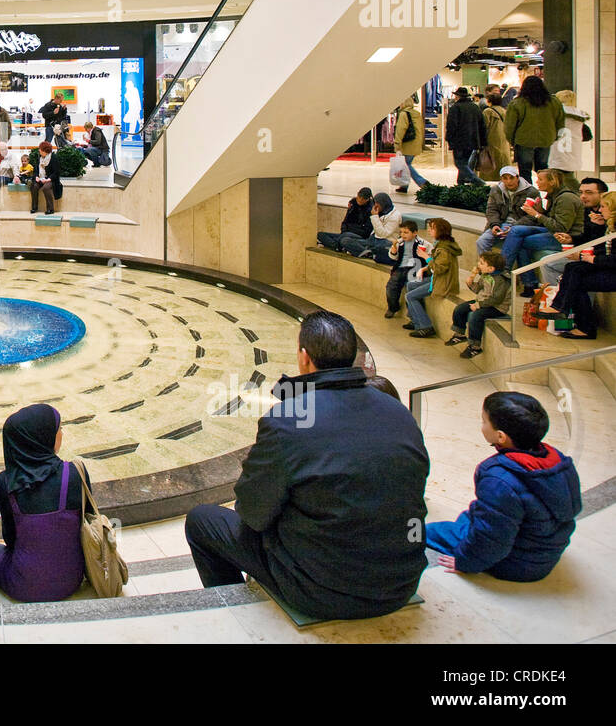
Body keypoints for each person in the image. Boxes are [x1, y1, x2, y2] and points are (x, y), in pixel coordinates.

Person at [186, 311, 429, 620]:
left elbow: (251, 511)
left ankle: (236, 618)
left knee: (202, 520)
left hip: (322, 591)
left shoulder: (288, 421)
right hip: (401, 580)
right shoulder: (397, 411)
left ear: (304, 356)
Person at [426, 392, 581, 582]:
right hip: (545, 551)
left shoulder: (499, 480)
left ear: (500, 436)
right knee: (473, 517)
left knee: (424, 532)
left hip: (518, 564)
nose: (481, 425)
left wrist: (464, 562)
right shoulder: (557, 459)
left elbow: (492, 541)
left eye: (483, 421)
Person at [0, 404, 88, 603]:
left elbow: (10, 539)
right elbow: (85, 524)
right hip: (72, 580)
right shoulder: (76, 473)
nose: (61, 433)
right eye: (59, 428)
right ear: (43, 436)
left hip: (21, 586)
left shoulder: (6, 480)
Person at [540, 191, 616, 339]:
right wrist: (597, 226)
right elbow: (598, 244)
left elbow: (612, 257)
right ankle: (562, 309)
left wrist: (591, 259)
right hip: (606, 265)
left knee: (577, 279)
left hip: (611, 270)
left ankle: (565, 311)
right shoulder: (608, 226)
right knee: (572, 269)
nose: (600, 210)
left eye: (603, 207)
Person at [502, 168, 584, 295]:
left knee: (520, 242)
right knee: (516, 230)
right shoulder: (554, 195)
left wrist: (536, 214)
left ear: (552, 182)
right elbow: (552, 220)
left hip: (566, 237)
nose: (537, 182)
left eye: (540, 179)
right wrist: (541, 211)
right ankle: (512, 272)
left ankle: (508, 272)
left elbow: (561, 228)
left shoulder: (566, 198)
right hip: (552, 231)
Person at [446, 248, 512, 359]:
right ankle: (460, 334)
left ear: (491, 268)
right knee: (460, 309)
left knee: (475, 316)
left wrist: (478, 306)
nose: (478, 264)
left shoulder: (500, 280)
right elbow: (478, 290)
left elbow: (497, 299)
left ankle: (475, 346)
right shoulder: (485, 275)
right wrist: (471, 280)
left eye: (481, 263)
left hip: (496, 307)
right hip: (483, 302)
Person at [404, 217, 461, 338]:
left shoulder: (444, 249)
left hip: (442, 283)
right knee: (410, 285)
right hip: (436, 279)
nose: (429, 231)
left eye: (432, 228)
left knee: (410, 296)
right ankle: (415, 320)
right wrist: (424, 268)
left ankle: (425, 326)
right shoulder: (441, 245)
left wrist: (426, 257)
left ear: (440, 231)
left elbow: (439, 268)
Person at [505, 74, 564, 184]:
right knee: (543, 168)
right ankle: (547, 190)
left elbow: (509, 126)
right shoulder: (554, 102)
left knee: (524, 169)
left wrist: (512, 141)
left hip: (524, 140)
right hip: (546, 139)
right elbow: (560, 121)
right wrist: (555, 136)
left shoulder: (517, 103)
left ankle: (528, 192)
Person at [477, 165, 540, 255]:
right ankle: (487, 267)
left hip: (520, 225)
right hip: (501, 223)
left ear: (517, 178)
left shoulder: (531, 191)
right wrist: (494, 224)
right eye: (505, 178)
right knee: (481, 241)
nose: (508, 181)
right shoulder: (496, 190)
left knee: (512, 248)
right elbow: (491, 210)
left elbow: (532, 216)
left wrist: (514, 227)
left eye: (511, 178)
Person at [384, 219, 429, 320]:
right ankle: (393, 307)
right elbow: (393, 258)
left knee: (412, 287)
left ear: (415, 233)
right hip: (401, 268)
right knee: (391, 286)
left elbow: (430, 257)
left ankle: (413, 316)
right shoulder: (399, 243)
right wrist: (394, 251)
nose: (403, 235)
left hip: (415, 268)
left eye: (406, 232)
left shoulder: (423, 243)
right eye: (401, 232)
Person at [340, 191, 398, 262]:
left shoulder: (395, 216)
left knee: (378, 248)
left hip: (385, 242)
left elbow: (382, 234)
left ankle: (365, 252)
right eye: (375, 203)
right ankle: (367, 252)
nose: (375, 205)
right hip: (372, 240)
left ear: (383, 204)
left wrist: (374, 216)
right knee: (345, 240)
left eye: (377, 203)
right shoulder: (381, 211)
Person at [445, 87, 486, 186]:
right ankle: (460, 182)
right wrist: (483, 141)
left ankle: (476, 180)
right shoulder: (475, 107)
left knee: (459, 163)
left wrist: (449, 138)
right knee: (464, 162)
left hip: (459, 140)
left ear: (457, 96)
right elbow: (482, 125)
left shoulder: (455, 108)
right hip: (473, 140)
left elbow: (451, 125)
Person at [317, 187, 372, 252]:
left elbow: (366, 232)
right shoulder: (353, 204)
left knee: (345, 239)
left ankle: (338, 245)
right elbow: (345, 221)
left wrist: (349, 230)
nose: (360, 200)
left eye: (363, 199)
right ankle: (340, 246)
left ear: (367, 199)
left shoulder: (370, 210)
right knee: (320, 234)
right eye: (359, 197)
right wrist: (344, 230)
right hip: (345, 233)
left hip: (357, 236)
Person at [550, 89, 592, 176]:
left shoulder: (555, 115)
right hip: (572, 153)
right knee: (566, 176)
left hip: (556, 154)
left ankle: (578, 190)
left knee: (563, 180)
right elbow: (587, 136)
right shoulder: (578, 118)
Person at [393, 96, 426, 190]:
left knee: (405, 165)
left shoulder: (403, 114)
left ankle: (422, 182)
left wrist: (397, 144)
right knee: (406, 164)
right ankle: (404, 185)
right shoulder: (417, 114)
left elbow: (400, 130)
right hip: (415, 144)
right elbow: (421, 130)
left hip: (407, 145)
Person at [29, 140, 62, 215]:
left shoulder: (53, 158)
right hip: (41, 178)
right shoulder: (39, 158)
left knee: (46, 188)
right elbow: (36, 170)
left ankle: (50, 209)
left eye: (40, 149)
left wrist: (48, 179)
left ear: (45, 151)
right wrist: (36, 176)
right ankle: (34, 207)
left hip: (50, 179)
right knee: (34, 186)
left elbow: (56, 172)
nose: (39, 150)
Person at [481, 92, 512, 174]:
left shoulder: (488, 111)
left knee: (492, 158)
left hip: (492, 137)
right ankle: (504, 175)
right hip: (504, 138)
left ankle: (492, 175)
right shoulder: (505, 111)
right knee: (503, 157)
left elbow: (484, 126)